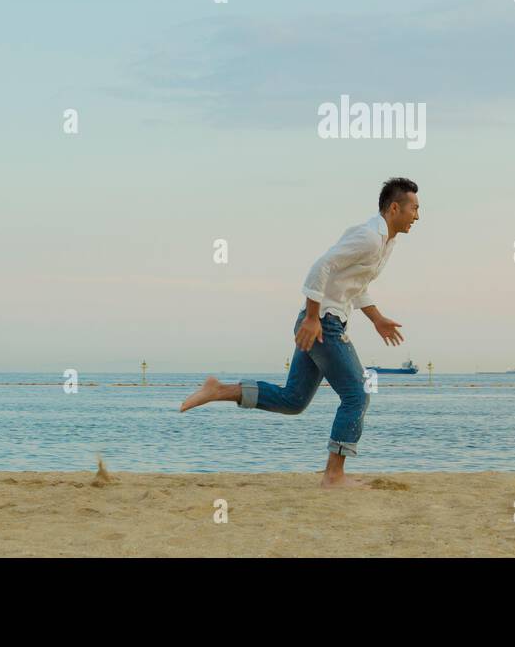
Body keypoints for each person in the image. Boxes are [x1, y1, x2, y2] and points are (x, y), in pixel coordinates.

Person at [180, 177, 419, 487]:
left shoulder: (386, 243)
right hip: (323, 324)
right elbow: (321, 267)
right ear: (394, 207)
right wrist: (312, 318)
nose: (417, 216)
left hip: (324, 320)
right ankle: (334, 475)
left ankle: (219, 390)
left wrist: (377, 319)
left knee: (293, 400)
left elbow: (352, 285)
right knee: (357, 394)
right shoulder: (370, 238)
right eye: (414, 208)